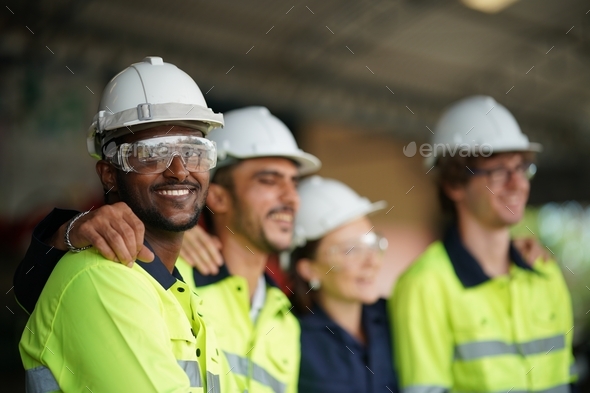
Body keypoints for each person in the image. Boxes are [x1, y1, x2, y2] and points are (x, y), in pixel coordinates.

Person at [14, 106, 322, 393]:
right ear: (216, 196)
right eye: (269, 181)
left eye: (192, 154)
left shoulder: (282, 316)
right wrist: (64, 233)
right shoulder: (147, 273)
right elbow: (41, 294)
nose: (291, 198)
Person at [18, 56, 226, 392]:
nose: (179, 170)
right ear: (109, 174)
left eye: (193, 150)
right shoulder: (102, 278)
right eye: (151, 153)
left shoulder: (178, 289)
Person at [389, 95, 577, 393]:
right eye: (499, 171)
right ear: (454, 184)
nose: (518, 184)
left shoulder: (544, 273)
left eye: (522, 168)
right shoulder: (424, 285)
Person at [288, 176, 398, 393]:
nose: (371, 261)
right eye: (351, 250)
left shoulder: (396, 319)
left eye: (372, 244)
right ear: (309, 269)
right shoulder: (291, 336)